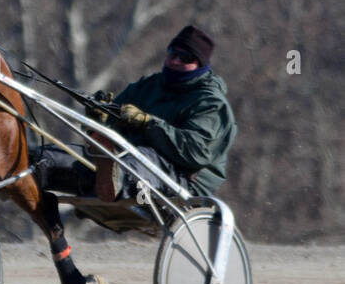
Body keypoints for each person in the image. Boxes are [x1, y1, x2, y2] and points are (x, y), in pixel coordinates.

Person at [31, 24, 238, 205]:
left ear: (200, 64)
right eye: (172, 52)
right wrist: (100, 118)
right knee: (47, 156)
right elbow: (109, 135)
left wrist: (148, 123)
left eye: (184, 57)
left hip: (182, 179)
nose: (175, 60)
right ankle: (20, 171)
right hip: (121, 159)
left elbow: (196, 152)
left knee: (137, 159)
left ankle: (114, 180)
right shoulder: (148, 86)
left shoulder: (211, 103)